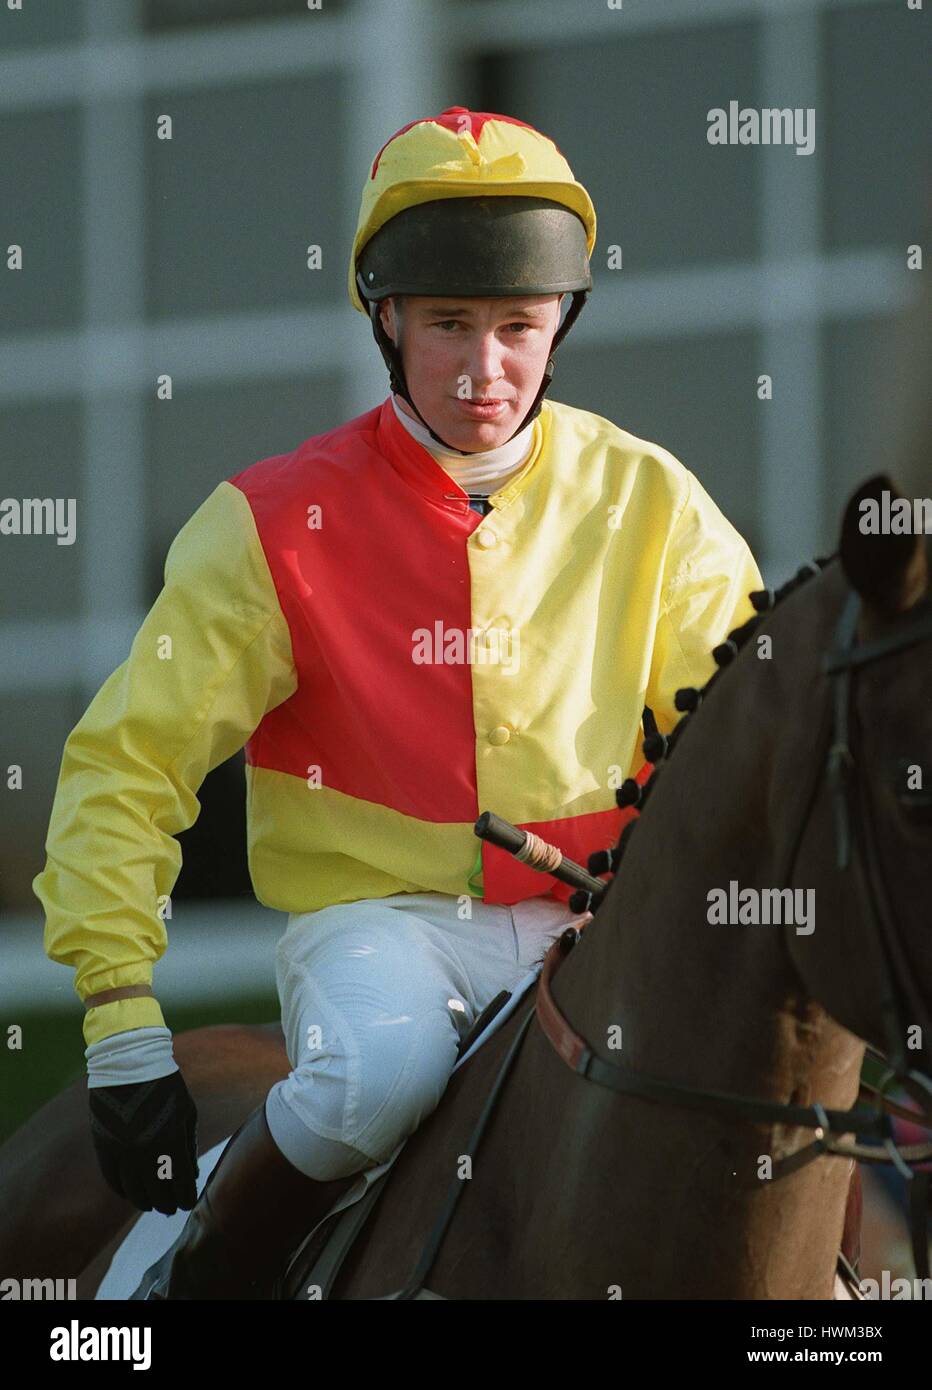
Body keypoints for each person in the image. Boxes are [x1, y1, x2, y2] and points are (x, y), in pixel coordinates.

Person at [33, 106, 763, 1299]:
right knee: (374, 1071)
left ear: (560, 321)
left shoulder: (651, 500)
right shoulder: (269, 521)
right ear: (384, 316)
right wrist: (121, 1021)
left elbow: (743, 737)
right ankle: (178, 1279)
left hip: (594, 926)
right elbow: (127, 768)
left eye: (518, 328)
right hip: (377, 931)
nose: (486, 372)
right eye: (448, 326)